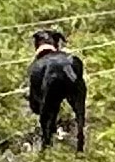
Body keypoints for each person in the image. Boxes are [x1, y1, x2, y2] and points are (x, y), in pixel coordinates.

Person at [26, 23, 88, 151]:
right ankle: (80, 138)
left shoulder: (36, 65)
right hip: (71, 69)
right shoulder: (71, 58)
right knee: (78, 108)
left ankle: (46, 145)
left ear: (37, 44)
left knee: (46, 111)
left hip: (50, 78)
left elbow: (35, 105)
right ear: (57, 43)